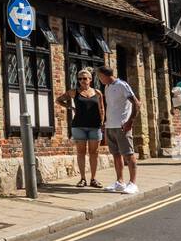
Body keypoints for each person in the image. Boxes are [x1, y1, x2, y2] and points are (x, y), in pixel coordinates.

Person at [57, 68, 105, 188]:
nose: (82, 81)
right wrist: (70, 107)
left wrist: (102, 122)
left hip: (95, 126)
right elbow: (59, 100)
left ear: (90, 79)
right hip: (78, 126)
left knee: (94, 153)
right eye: (80, 79)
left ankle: (93, 179)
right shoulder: (74, 92)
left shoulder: (98, 93)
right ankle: (82, 179)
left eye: (85, 78)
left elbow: (102, 109)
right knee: (81, 152)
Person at [97, 64, 139, 194]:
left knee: (128, 154)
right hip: (110, 126)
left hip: (122, 126)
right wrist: (105, 123)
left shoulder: (122, 85)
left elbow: (136, 103)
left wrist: (130, 122)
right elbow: (112, 107)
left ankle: (133, 183)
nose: (99, 79)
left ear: (104, 75)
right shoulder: (107, 87)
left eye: (99, 76)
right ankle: (120, 182)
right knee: (116, 155)